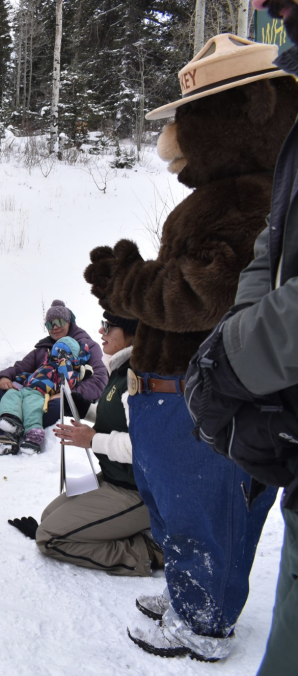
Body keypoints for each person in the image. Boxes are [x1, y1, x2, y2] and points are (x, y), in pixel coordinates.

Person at [85, 35, 293, 663]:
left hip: (197, 395)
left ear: (252, 109)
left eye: (190, 114)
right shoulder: (225, 195)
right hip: (168, 390)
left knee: (206, 510)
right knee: (176, 505)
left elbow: (204, 293)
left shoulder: (252, 196)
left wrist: (128, 283)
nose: (175, 133)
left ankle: (204, 621)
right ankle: (189, 595)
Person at [193, 5, 298, 671]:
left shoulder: (238, 189)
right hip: (264, 397)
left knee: (212, 514)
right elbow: (267, 256)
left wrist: (230, 359)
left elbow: (204, 280)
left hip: (231, 380)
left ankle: (206, 611)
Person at [8, 312, 159, 576]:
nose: (101, 332)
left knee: (49, 538)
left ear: (133, 334)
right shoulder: (120, 370)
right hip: (114, 478)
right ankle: (114, 528)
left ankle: (150, 550)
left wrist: (92, 440)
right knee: (48, 516)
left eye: (109, 326)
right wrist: (84, 407)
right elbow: (117, 419)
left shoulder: (139, 379)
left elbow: (145, 448)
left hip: (138, 492)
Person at [0, 300, 108, 456]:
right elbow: (20, 367)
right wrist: (5, 377)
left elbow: (99, 381)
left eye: (59, 322)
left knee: (58, 405)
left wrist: (68, 393)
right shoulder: (42, 350)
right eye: (50, 324)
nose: (55, 327)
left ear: (69, 322)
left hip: (66, 399)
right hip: (36, 394)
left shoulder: (86, 346)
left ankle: (5, 427)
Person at [0, 336, 90, 454]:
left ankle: (34, 434)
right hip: (24, 389)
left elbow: (67, 381)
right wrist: (17, 381)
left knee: (32, 406)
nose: (58, 356)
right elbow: (30, 375)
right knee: (10, 395)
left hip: (39, 392)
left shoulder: (66, 369)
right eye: (57, 352)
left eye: (62, 353)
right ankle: (12, 421)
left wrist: (65, 364)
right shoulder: (45, 366)